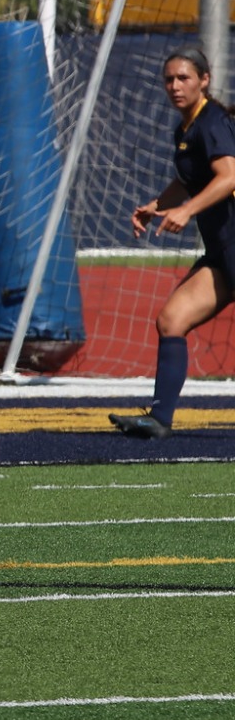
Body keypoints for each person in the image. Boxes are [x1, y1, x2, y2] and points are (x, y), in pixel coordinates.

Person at [111, 46, 235, 439]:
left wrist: (186, 211)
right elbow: (188, 178)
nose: (175, 85)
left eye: (184, 78)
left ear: (204, 80)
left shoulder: (213, 121)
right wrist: (158, 205)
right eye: (169, 79)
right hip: (222, 252)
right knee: (171, 320)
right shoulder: (186, 128)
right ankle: (160, 419)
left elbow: (229, 177)